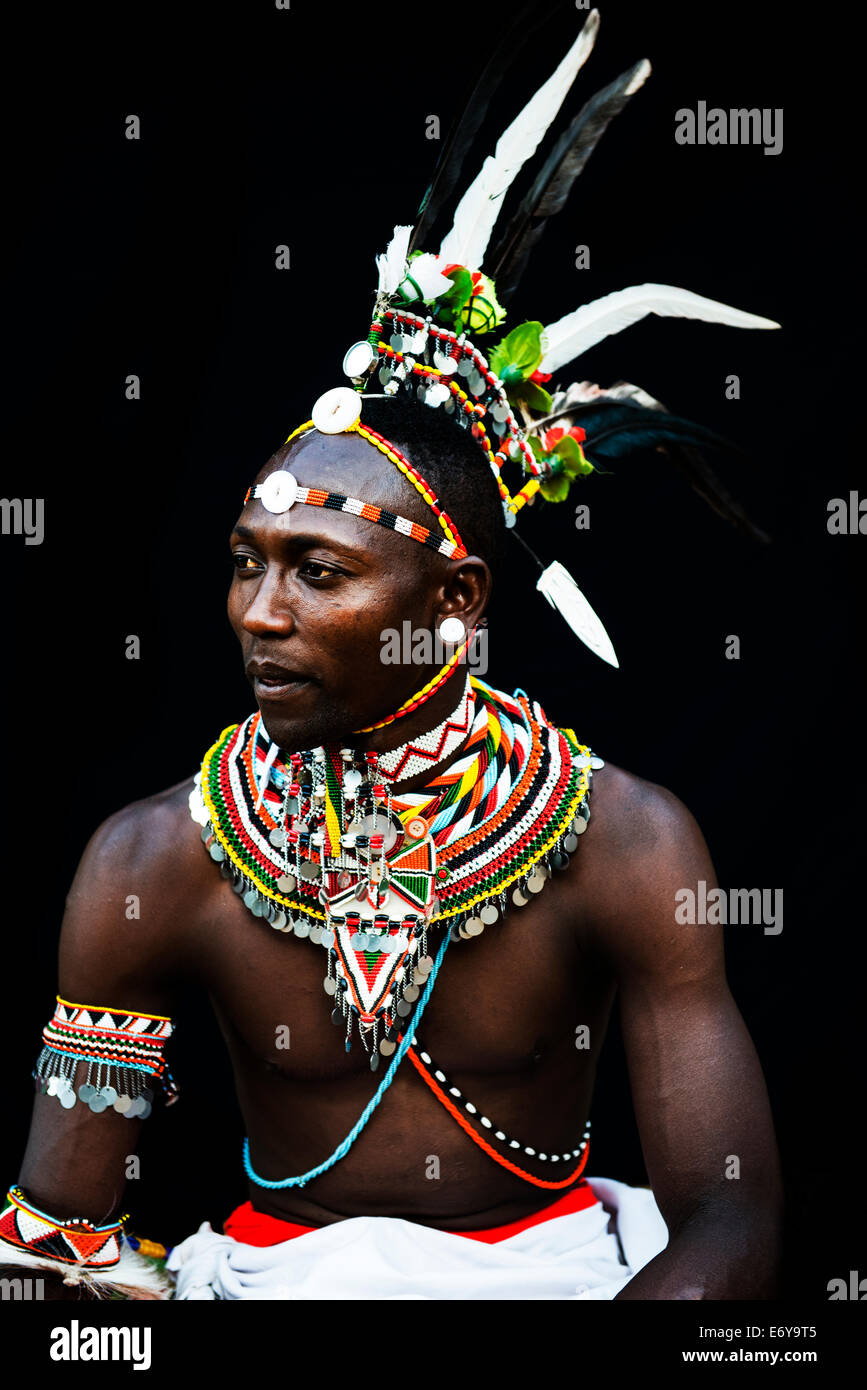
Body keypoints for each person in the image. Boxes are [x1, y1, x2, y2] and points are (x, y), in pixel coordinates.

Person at [0, 9, 782, 1300]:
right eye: (246, 560)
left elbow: (731, 1235)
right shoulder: (153, 861)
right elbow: (47, 1248)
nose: (258, 611)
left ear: (457, 600)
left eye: (318, 570)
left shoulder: (626, 845)